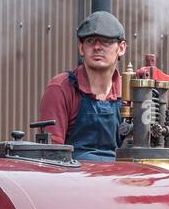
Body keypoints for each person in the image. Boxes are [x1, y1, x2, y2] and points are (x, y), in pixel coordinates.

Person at [37, 11, 128, 162]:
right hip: (73, 179)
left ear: (122, 48)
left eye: (105, 41)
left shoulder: (131, 93)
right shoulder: (61, 88)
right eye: (90, 41)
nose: (97, 47)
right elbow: (51, 156)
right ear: (81, 48)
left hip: (119, 178)